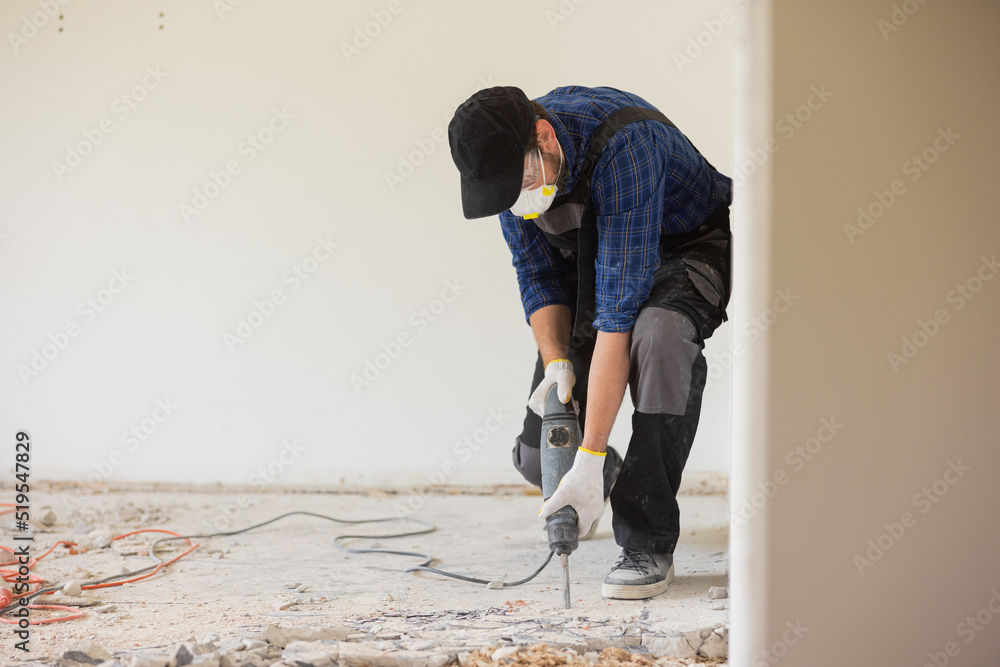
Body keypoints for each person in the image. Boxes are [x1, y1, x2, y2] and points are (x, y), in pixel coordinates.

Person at [447, 85, 732, 600]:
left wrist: (591, 452)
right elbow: (537, 278)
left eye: (524, 180)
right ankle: (605, 477)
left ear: (544, 136)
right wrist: (557, 362)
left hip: (682, 250)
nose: (518, 199)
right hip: (596, 263)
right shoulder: (514, 181)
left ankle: (648, 537)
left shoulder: (626, 145)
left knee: (660, 337)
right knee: (541, 457)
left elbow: (618, 318)